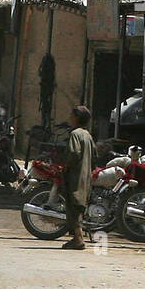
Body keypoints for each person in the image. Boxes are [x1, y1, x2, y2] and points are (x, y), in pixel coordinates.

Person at [61, 106, 95, 250]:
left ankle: (78, 238)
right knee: (79, 205)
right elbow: (95, 154)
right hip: (86, 175)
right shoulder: (87, 135)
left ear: (76, 118)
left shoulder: (75, 134)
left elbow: (73, 153)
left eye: (71, 115)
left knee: (73, 204)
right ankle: (77, 237)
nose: (69, 118)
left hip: (75, 174)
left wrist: (66, 167)